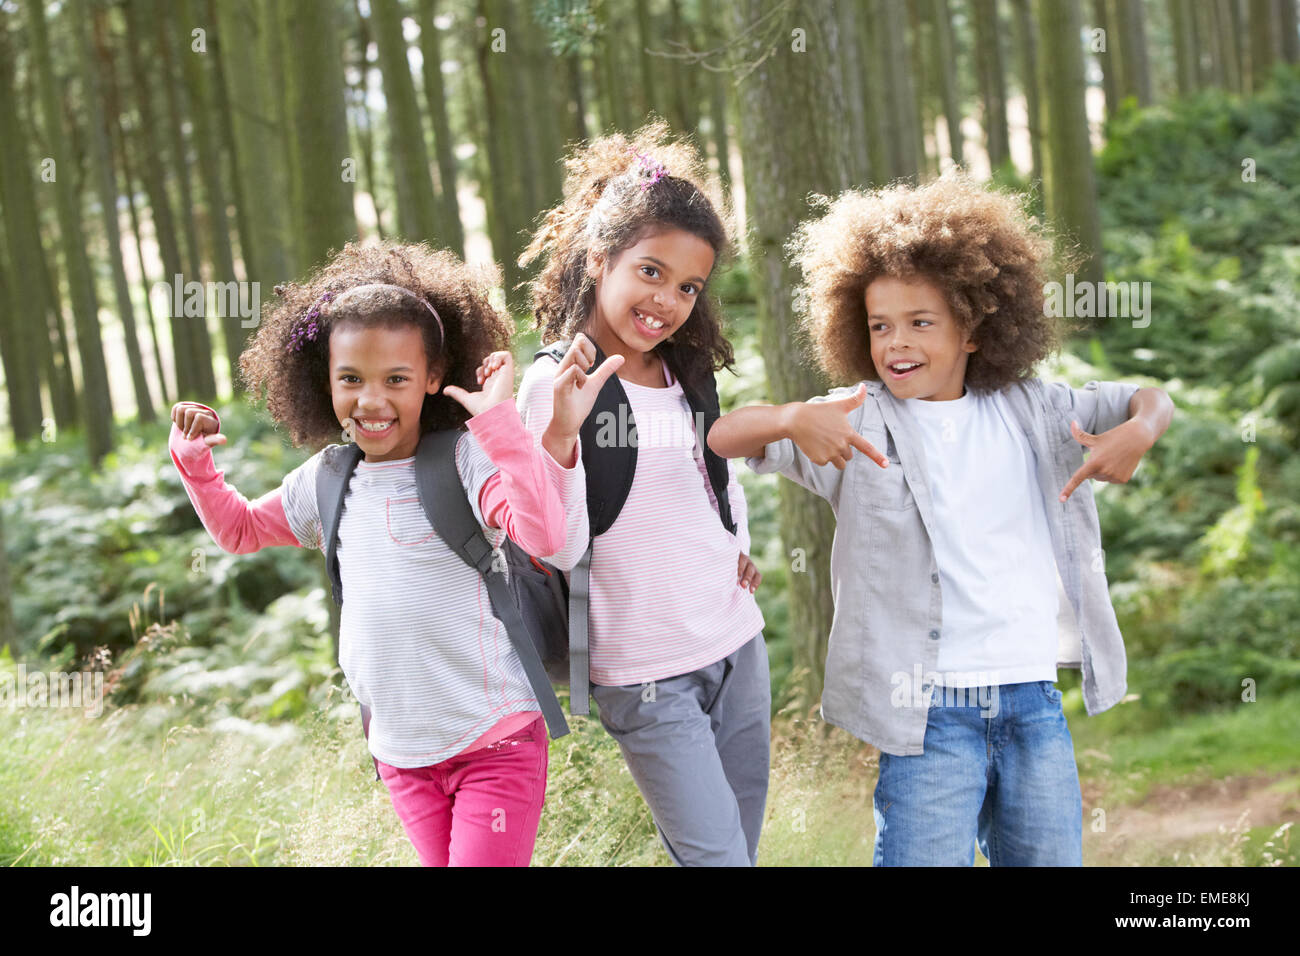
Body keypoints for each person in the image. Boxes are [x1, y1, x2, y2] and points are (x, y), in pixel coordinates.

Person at [708, 173, 1174, 866]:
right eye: (879, 325)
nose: (896, 342)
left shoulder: (1038, 410)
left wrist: (1142, 431)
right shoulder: (853, 420)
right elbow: (722, 437)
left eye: (921, 322)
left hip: (1032, 703)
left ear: (978, 329)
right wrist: (786, 417)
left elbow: (1149, 398)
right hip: (925, 717)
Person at [168, 241, 619, 866]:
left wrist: (500, 428)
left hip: (495, 743)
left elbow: (542, 535)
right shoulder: (326, 477)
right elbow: (240, 531)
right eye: (350, 378)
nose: (371, 401)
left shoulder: (464, 459)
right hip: (402, 755)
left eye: (396, 379)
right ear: (323, 378)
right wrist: (196, 466)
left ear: (433, 378)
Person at [516, 123, 769, 866]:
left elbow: (713, 482)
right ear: (600, 260)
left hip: (735, 643)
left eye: (689, 286)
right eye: (650, 272)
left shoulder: (686, 370)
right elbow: (555, 544)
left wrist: (738, 548)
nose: (668, 301)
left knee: (738, 854)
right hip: (643, 670)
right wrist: (560, 440)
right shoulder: (553, 383)